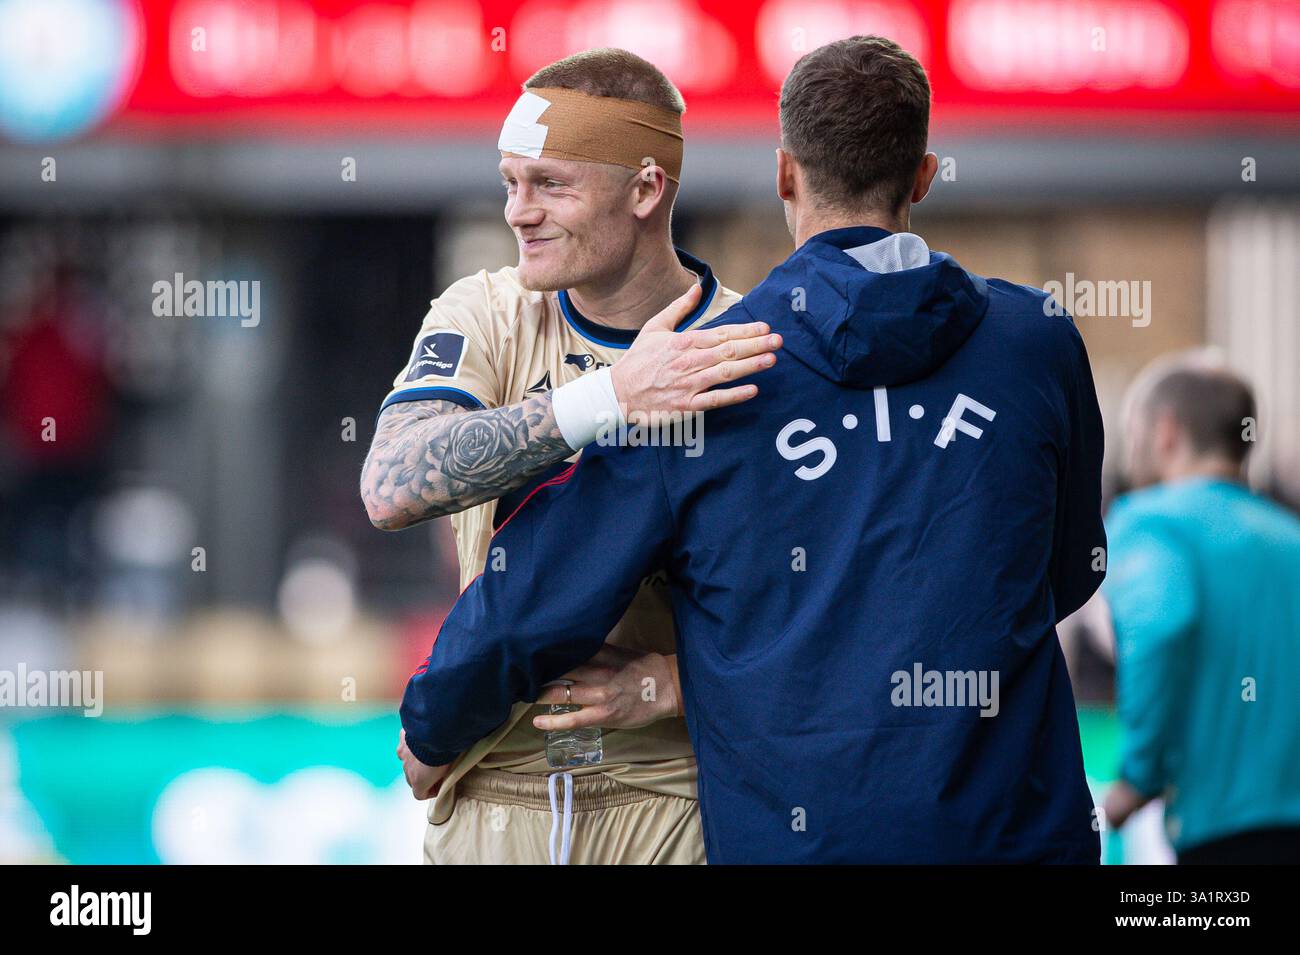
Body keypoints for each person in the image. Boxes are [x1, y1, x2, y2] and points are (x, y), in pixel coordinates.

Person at [398, 35, 1107, 863]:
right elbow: (1069, 570)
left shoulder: (705, 369)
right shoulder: (1037, 341)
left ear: (785, 175)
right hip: (1019, 835)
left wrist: (434, 723)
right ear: (922, 175)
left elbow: (540, 586)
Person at [363, 49, 781, 865]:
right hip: (492, 787)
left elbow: (812, 618)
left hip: (674, 795)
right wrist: (611, 398)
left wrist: (662, 683)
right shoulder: (486, 311)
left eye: (551, 184)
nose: (520, 211)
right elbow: (389, 485)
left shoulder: (747, 346)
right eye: (511, 181)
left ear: (646, 188)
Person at [1102, 352, 1300, 864]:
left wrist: (1138, 776)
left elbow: (1163, 626)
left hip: (1223, 833)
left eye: (1132, 431)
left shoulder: (1150, 521)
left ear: (1165, 432)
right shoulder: (1290, 537)